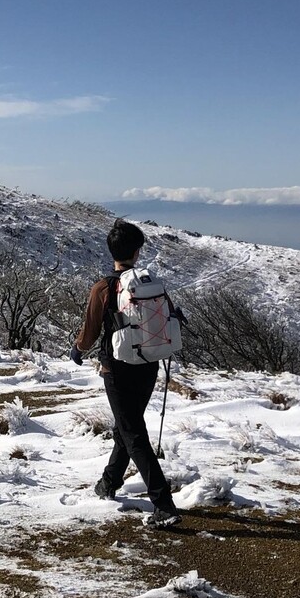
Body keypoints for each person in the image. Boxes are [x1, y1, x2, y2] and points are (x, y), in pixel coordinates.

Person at [70, 219, 181, 528]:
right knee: (128, 426)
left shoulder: (104, 286)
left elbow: (91, 329)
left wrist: (78, 349)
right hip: (148, 363)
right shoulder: (150, 283)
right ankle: (109, 483)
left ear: (111, 251)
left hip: (116, 367)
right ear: (138, 250)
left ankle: (163, 503)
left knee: (132, 432)